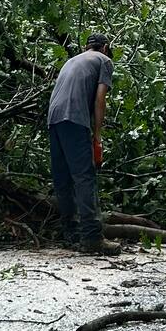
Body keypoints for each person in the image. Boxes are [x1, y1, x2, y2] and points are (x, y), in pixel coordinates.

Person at [47, 33, 121, 255]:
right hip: (74, 118)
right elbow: (100, 99)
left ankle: (70, 234)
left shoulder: (72, 60)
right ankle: (91, 238)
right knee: (84, 177)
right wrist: (97, 136)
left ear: (86, 46)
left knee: (63, 179)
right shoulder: (104, 61)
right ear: (105, 48)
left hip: (54, 118)